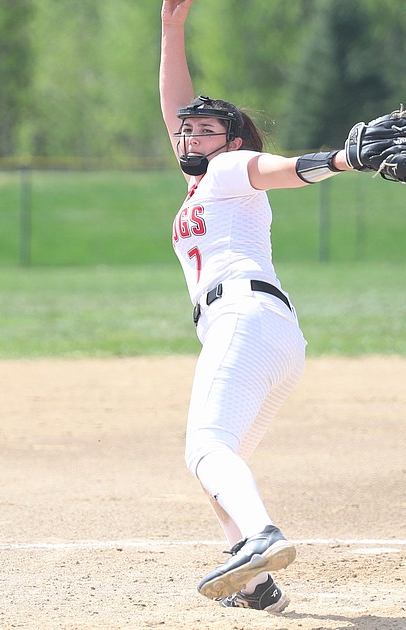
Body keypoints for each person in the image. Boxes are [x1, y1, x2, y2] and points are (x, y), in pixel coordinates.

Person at [160, 0, 379, 613]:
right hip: (272, 334)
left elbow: (281, 169)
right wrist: (171, 31)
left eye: (204, 129)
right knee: (223, 469)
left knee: (205, 451)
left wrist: (341, 160)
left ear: (230, 140)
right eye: (187, 130)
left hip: (243, 320)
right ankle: (257, 585)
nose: (188, 134)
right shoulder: (202, 184)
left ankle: (261, 539)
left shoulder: (231, 167)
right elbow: (176, 108)